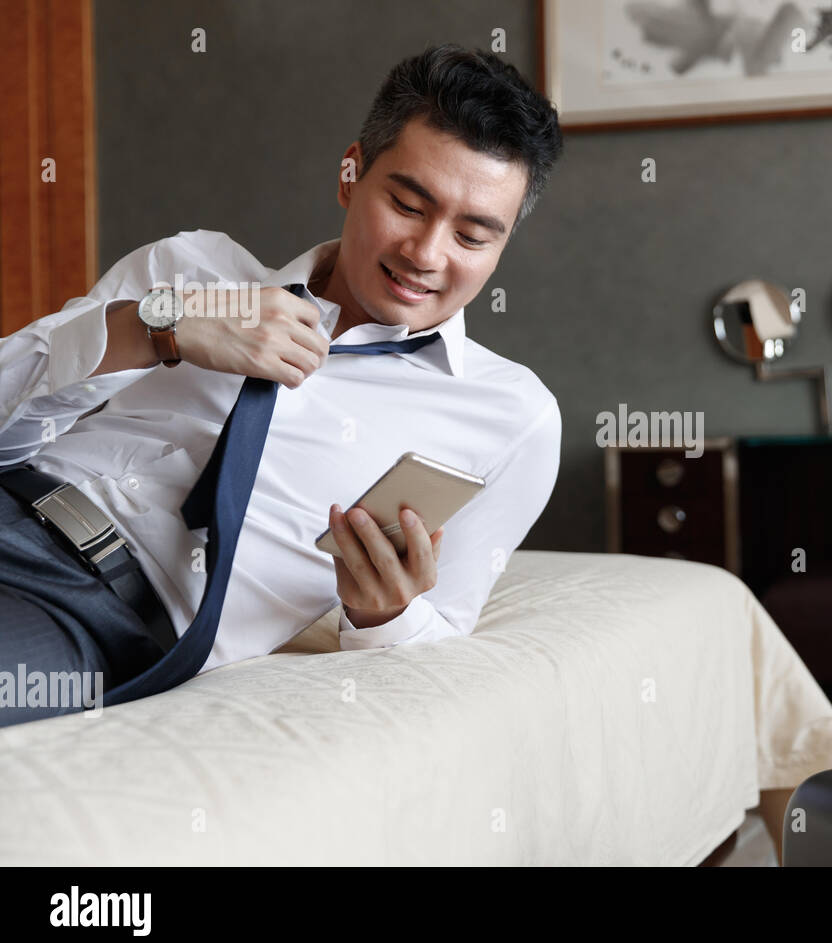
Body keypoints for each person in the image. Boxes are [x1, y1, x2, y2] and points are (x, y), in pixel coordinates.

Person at [0, 43, 564, 727]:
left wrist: (381, 612)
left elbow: (436, 642)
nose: (426, 254)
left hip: (94, 610)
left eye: (473, 237)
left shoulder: (510, 416)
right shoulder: (192, 266)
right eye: (409, 205)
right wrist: (158, 328)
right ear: (350, 174)